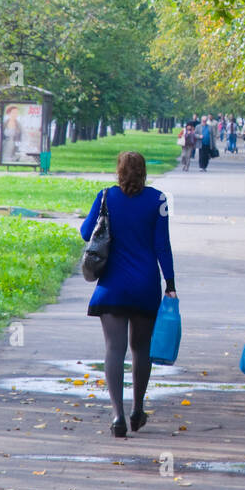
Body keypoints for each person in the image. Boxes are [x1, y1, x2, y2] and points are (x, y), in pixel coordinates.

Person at [80, 151, 176, 437]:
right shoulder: (158, 200)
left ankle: (117, 415)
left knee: (114, 349)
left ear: (119, 172)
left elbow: (86, 233)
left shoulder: (106, 197)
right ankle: (138, 408)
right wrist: (170, 283)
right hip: (145, 286)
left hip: (112, 286)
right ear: (144, 172)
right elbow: (163, 246)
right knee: (141, 349)